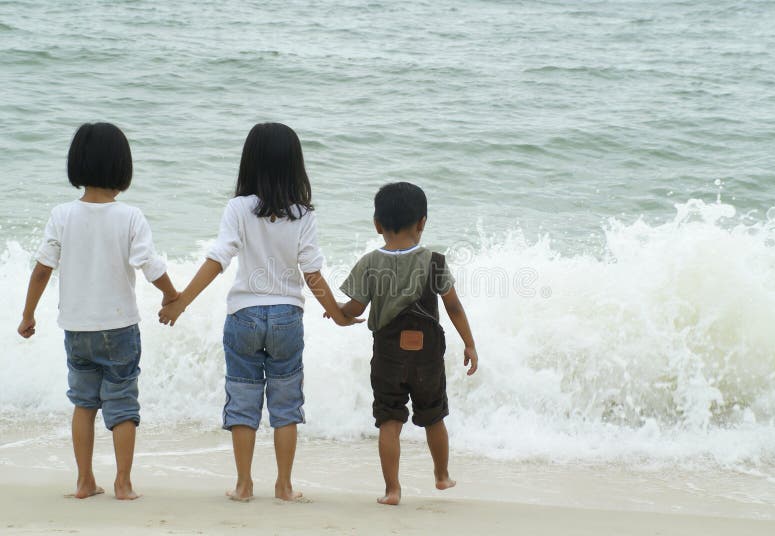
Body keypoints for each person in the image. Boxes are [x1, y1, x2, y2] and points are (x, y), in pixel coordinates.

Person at [158, 122, 362, 502]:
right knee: (286, 405)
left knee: (243, 398)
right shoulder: (303, 214)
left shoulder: (238, 208)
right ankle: (284, 486)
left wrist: (182, 300)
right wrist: (335, 313)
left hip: (244, 317)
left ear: (249, 163)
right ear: (294, 166)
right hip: (287, 316)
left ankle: (243, 485)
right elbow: (312, 271)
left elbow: (218, 259)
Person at [17, 122, 179, 500]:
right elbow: (149, 264)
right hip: (119, 327)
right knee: (122, 401)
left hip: (76, 328)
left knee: (83, 403)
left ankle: (84, 481)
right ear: (123, 169)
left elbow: (43, 268)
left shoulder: (62, 214)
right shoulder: (130, 216)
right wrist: (172, 294)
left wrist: (28, 314)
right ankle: (123, 482)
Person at [332, 182, 479, 505]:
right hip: (427, 357)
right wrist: (469, 343)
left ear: (377, 224)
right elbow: (453, 307)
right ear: (422, 222)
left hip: (387, 356)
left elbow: (354, 309)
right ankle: (441, 475)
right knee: (434, 416)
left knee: (390, 419)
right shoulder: (435, 262)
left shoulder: (369, 262)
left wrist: (336, 312)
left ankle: (392, 490)